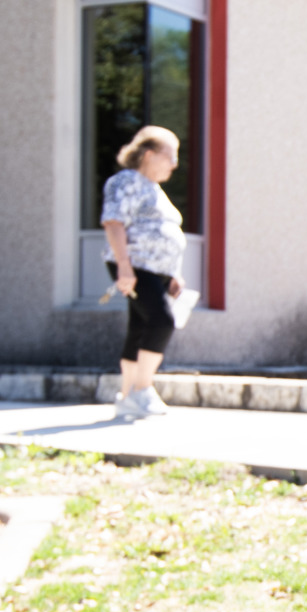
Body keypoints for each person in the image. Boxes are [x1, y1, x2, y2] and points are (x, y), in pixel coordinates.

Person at [101, 125, 186, 421]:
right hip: (136, 266)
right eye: (170, 156)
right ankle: (142, 389)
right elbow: (114, 223)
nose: (175, 164)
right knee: (162, 321)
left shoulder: (154, 190)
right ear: (149, 154)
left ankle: (126, 397)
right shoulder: (126, 181)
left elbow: (164, 232)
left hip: (156, 271)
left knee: (139, 328)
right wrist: (124, 267)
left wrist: (173, 273)